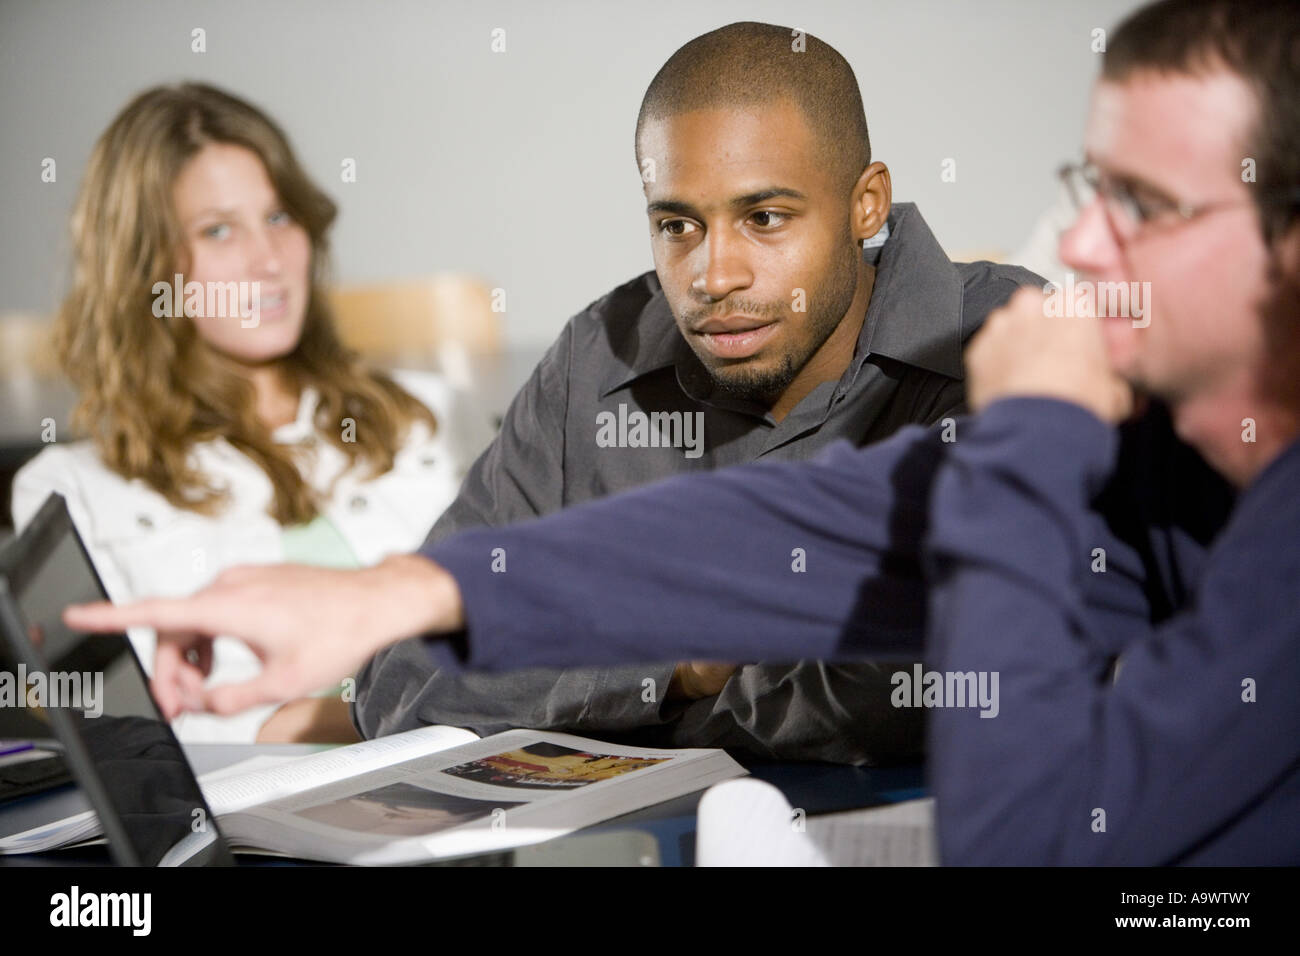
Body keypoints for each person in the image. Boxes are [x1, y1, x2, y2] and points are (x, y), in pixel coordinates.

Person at [66, 0, 1299, 864]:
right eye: (1091, 192)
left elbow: (1008, 803)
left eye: (1139, 204)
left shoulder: (1038, 375)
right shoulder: (599, 355)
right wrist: (398, 592)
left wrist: (1026, 434)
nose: (1076, 244)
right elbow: (806, 529)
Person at [353, 21, 1040, 766]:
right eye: (677, 224)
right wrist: (673, 674)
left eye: (765, 218)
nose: (714, 276)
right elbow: (403, 672)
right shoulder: (597, 360)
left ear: (866, 203)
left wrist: (598, 691)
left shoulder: (999, 344)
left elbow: (952, 682)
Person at [13, 83, 492, 744]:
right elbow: (143, 752)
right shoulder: (72, 489)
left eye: (278, 217)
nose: (266, 261)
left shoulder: (422, 418)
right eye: (218, 230)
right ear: (146, 270)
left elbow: (520, 633)